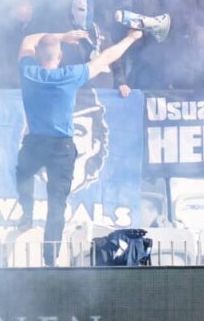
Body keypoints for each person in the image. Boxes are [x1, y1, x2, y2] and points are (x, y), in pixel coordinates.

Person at [14, 22, 144, 264]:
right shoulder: (70, 75)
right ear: (60, 56)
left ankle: (26, 214)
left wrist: (61, 35)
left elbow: (27, 41)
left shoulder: (28, 71)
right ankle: (50, 258)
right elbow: (106, 57)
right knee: (57, 204)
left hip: (35, 143)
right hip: (60, 148)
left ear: (37, 55)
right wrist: (132, 38)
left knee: (23, 172)